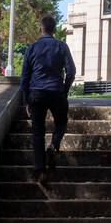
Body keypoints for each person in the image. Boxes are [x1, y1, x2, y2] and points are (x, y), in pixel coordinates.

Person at [20, 14, 76, 185]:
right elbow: (71, 72)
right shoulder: (61, 46)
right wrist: (64, 91)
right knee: (61, 122)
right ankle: (53, 145)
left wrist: (26, 101)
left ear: (41, 29)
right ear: (54, 29)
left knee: (37, 132)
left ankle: (40, 169)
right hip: (56, 91)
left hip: (36, 93)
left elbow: (25, 76)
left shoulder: (32, 48)